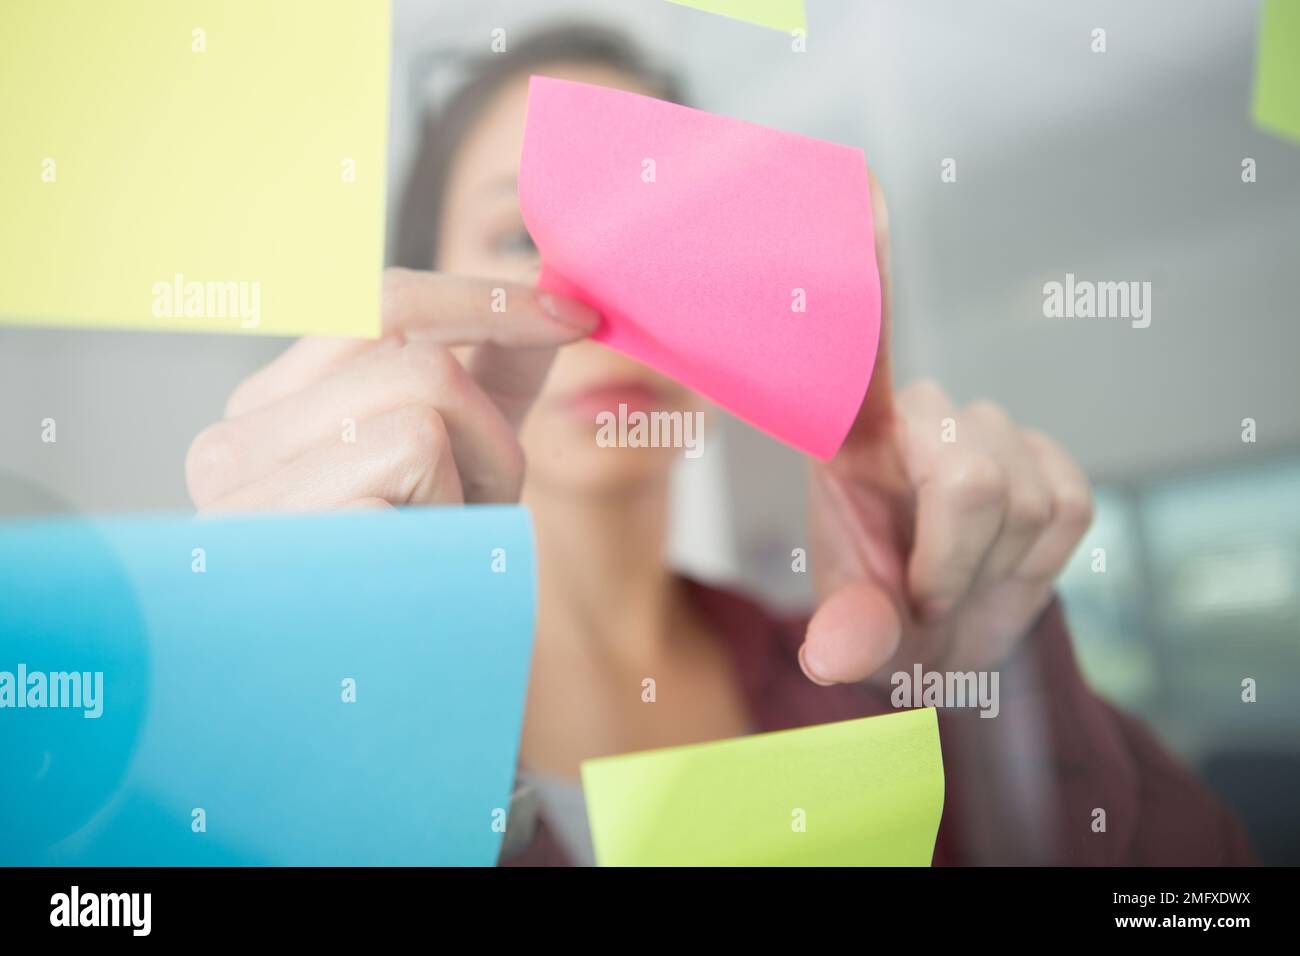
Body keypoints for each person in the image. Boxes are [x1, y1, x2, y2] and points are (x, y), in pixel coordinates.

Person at [184, 25, 1254, 865]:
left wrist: (992, 693)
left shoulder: (867, 672)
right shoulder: (341, 703)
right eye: (521, 235)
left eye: (663, 245)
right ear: (417, 319)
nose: (590, 302)